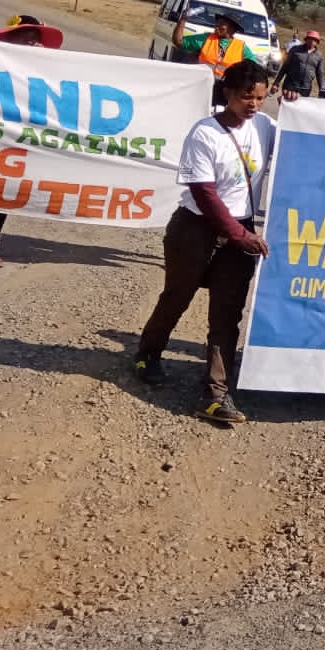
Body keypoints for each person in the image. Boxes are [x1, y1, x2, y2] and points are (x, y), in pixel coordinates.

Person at [132, 60, 276, 426]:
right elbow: (205, 194)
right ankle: (147, 354)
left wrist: (300, 107)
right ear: (227, 93)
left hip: (240, 232)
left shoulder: (264, 126)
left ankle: (215, 393)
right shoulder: (204, 133)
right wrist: (240, 235)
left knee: (227, 314)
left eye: (261, 97)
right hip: (195, 230)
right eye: (246, 96)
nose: (254, 104)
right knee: (176, 298)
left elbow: (307, 140)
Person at [0, 13, 66, 267]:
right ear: (10, 39)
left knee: (2, 184)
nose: (32, 42)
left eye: (36, 38)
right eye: (25, 36)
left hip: (13, 137)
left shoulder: (48, 67)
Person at [174, 11, 259, 104]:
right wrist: (182, 21)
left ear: (232, 29)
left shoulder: (241, 47)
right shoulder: (207, 38)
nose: (217, 25)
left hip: (224, 93)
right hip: (200, 86)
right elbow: (179, 41)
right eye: (217, 22)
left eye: (222, 24)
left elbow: (254, 69)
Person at [273, 30, 324, 101]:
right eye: (310, 38)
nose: (312, 41)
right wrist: (276, 83)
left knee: (300, 107)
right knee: (287, 105)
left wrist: (322, 90)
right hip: (290, 85)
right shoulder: (295, 50)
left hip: (305, 89)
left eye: (314, 40)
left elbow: (320, 74)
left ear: (317, 42)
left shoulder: (319, 56)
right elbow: (285, 67)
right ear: (306, 39)